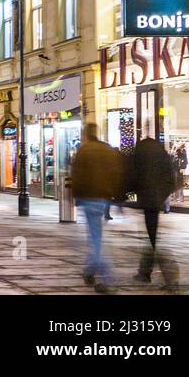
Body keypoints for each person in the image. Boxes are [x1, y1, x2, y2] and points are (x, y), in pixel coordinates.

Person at [70, 123, 123, 290]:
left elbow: (76, 176)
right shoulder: (107, 150)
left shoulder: (83, 151)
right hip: (103, 198)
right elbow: (116, 173)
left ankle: (108, 279)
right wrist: (113, 194)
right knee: (94, 235)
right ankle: (89, 270)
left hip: (88, 198)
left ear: (85, 134)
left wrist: (76, 196)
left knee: (95, 238)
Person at [127, 136, 180, 289]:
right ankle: (145, 272)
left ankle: (169, 278)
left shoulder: (140, 154)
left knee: (152, 240)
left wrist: (128, 193)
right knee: (151, 238)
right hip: (156, 200)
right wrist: (161, 196)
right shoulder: (162, 154)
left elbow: (133, 176)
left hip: (146, 200)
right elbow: (171, 179)